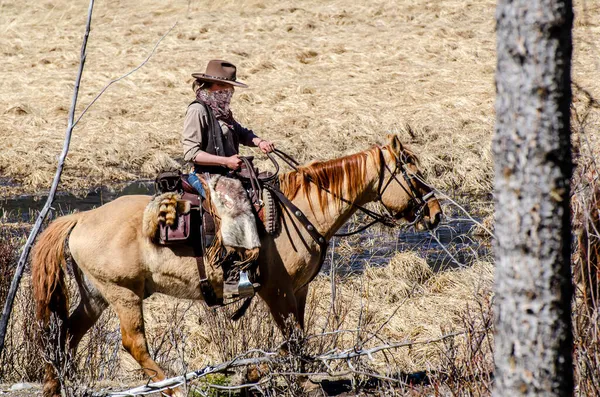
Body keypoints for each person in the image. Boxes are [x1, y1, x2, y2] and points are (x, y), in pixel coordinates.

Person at [182, 59, 274, 196]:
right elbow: (191, 153)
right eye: (221, 85)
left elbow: (240, 132)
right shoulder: (197, 110)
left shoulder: (221, 110)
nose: (227, 90)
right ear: (209, 85)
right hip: (205, 176)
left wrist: (260, 142)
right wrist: (226, 161)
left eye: (229, 86)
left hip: (227, 174)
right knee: (235, 208)